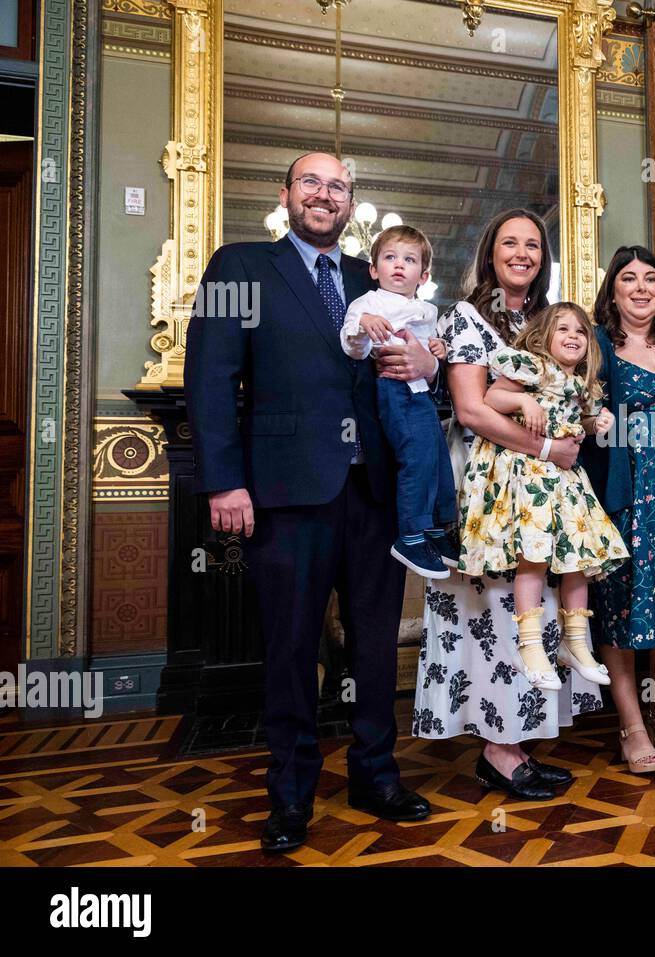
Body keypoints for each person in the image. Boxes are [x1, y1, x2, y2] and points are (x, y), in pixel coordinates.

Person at [185, 152, 433, 853]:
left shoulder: (373, 276)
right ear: (286, 194)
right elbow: (209, 378)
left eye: (338, 187)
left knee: (377, 645)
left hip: (374, 492)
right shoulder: (239, 266)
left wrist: (428, 362)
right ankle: (291, 793)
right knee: (293, 647)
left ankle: (375, 775)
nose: (324, 195)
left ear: (351, 203)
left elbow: (416, 362)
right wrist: (223, 481)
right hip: (285, 492)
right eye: (311, 183)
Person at [411, 208, 604, 802]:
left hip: (544, 492)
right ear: (490, 253)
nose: (522, 253)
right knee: (490, 610)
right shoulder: (466, 317)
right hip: (486, 486)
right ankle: (496, 748)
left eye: (532, 245)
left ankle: (517, 742)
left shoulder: (545, 321)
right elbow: (472, 410)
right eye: (509, 243)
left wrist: (571, 437)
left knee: (536, 606)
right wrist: (548, 446)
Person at [459, 301, 627, 689]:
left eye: (580, 332)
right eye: (563, 329)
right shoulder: (533, 367)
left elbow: (577, 418)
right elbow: (490, 400)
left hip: (565, 479)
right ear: (544, 337)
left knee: (577, 560)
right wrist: (522, 400)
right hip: (530, 476)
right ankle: (531, 646)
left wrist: (597, 420)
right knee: (532, 559)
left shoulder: (580, 382)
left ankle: (576, 642)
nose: (573, 337)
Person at [582, 246, 655, 774]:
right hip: (624, 491)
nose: (640, 287)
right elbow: (576, 407)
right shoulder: (596, 346)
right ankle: (630, 722)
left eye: (650, 278)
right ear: (613, 290)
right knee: (621, 604)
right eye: (628, 278)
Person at [340, 224, 456, 578]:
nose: (399, 265)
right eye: (390, 258)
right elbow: (351, 345)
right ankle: (410, 535)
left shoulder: (426, 309)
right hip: (394, 389)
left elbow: (431, 350)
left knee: (438, 458)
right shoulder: (369, 303)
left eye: (409, 260)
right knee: (416, 458)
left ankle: (436, 528)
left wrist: (439, 349)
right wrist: (364, 324)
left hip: (421, 393)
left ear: (424, 274)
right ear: (374, 269)